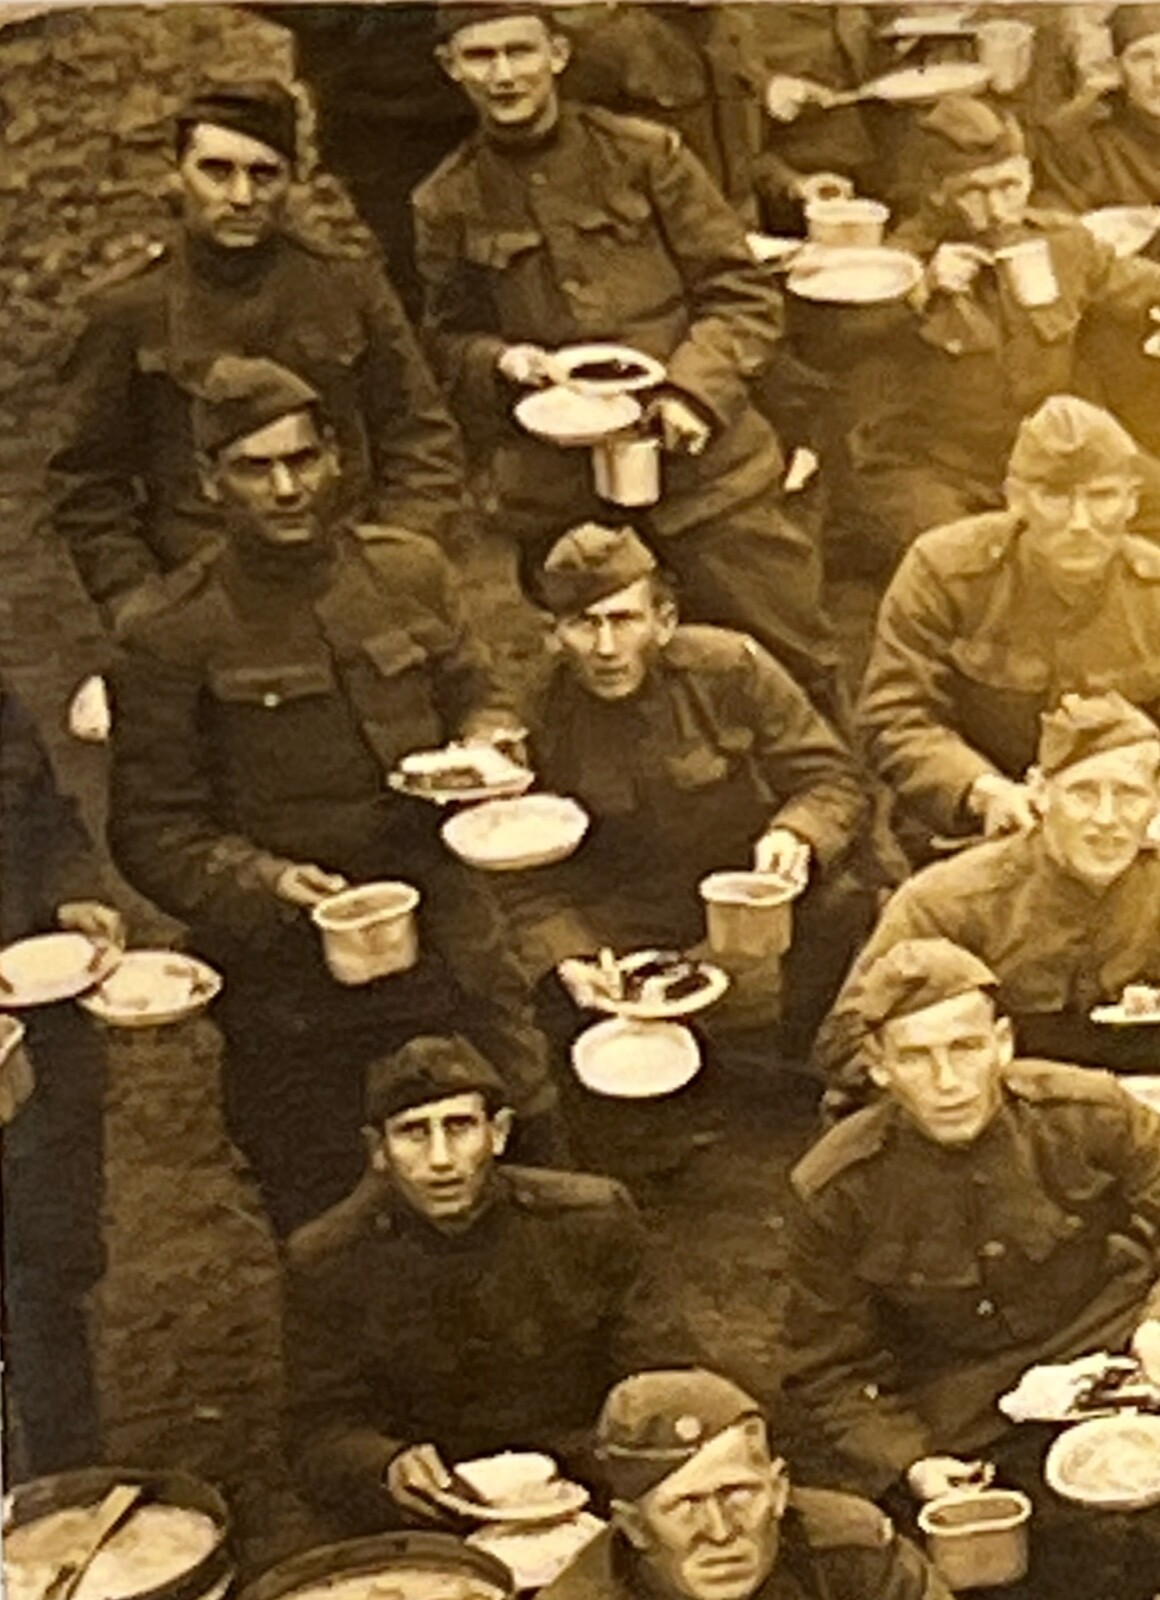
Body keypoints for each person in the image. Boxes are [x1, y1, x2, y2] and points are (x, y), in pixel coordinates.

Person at [108, 356, 556, 1237]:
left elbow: (478, 690)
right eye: (255, 467)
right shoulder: (169, 630)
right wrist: (268, 883)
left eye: (302, 460)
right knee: (322, 1201)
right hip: (291, 976)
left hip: (445, 923)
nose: (285, 488)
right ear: (209, 481)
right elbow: (152, 831)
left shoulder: (406, 571)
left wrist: (489, 744)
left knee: (525, 1145)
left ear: (334, 459)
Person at [411, 2, 843, 719]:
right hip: (566, 490)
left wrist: (693, 394)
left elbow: (738, 292)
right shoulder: (445, 200)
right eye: (481, 58)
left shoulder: (647, 156)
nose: (505, 74)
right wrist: (504, 360)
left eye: (520, 51)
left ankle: (837, 817)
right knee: (608, 686)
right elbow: (445, 339)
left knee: (790, 662)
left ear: (556, 53)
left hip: (709, 474)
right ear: (451, 68)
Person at [785, 938, 1160, 1599]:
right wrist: (913, 1462)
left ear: (1003, 1044)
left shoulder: (1089, 1113)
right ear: (877, 1066)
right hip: (971, 1403)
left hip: (1119, 1341)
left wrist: (1157, 1324)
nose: (949, 1080)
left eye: (965, 1047)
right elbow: (827, 1365)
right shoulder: (837, 1188)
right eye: (916, 1057)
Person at [51, 76, 465, 638]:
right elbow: (87, 481)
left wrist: (401, 555)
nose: (242, 196)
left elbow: (419, 435)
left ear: (292, 181)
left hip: (351, 576)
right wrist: (137, 601)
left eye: (265, 174)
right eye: (217, 171)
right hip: (203, 593)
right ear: (178, 175)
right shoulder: (129, 307)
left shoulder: (347, 283)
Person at [282, 1036, 692, 1536]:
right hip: (432, 1515)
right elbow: (317, 1430)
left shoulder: (590, 1219)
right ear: (379, 1151)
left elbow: (664, 1379)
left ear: (497, 1134)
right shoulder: (328, 1258)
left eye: (459, 1128)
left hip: (590, 1492)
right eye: (413, 1133)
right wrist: (384, 1466)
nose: (440, 1159)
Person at [512, 524, 872, 1068]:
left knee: (841, 901)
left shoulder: (731, 669)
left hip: (738, 889)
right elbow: (515, 871)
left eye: (625, 619)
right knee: (557, 1007)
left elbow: (832, 778)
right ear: (553, 633)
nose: (606, 648)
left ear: (665, 621)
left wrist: (796, 833)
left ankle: (805, 1063)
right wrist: (566, 952)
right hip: (618, 908)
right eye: (584, 625)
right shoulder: (533, 707)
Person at [836, 93, 1160, 569]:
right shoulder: (894, 262)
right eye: (974, 191)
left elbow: (1141, 285)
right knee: (974, 568)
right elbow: (833, 340)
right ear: (938, 191)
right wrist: (919, 291)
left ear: (1029, 176)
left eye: (1010, 186)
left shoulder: (1059, 242)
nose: (997, 209)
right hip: (933, 469)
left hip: (1049, 453)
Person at [858, 395, 1160, 863]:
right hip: (973, 830)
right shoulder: (944, 571)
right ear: (1016, 497)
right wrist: (981, 791)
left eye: (1101, 497)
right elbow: (896, 715)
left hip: (1126, 829)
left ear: (1130, 501)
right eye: (1056, 497)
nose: (1080, 523)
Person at [817, 692, 1160, 1086]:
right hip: (990, 1116)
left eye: (1129, 795)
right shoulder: (949, 901)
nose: (1105, 818)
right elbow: (847, 1046)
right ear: (1041, 792)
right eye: (1083, 793)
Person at [1, 690, 125, 1474]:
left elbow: (41, 811)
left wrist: (72, 890)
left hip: (37, 1029)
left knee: (47, 1270)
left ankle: (62, 1493)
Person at [540, 1367, 948, 1600]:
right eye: (685, 1506)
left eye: (738, 1494)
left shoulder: (856, 1553)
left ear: (779, 1489)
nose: (719, 1531)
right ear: (634, 1526)